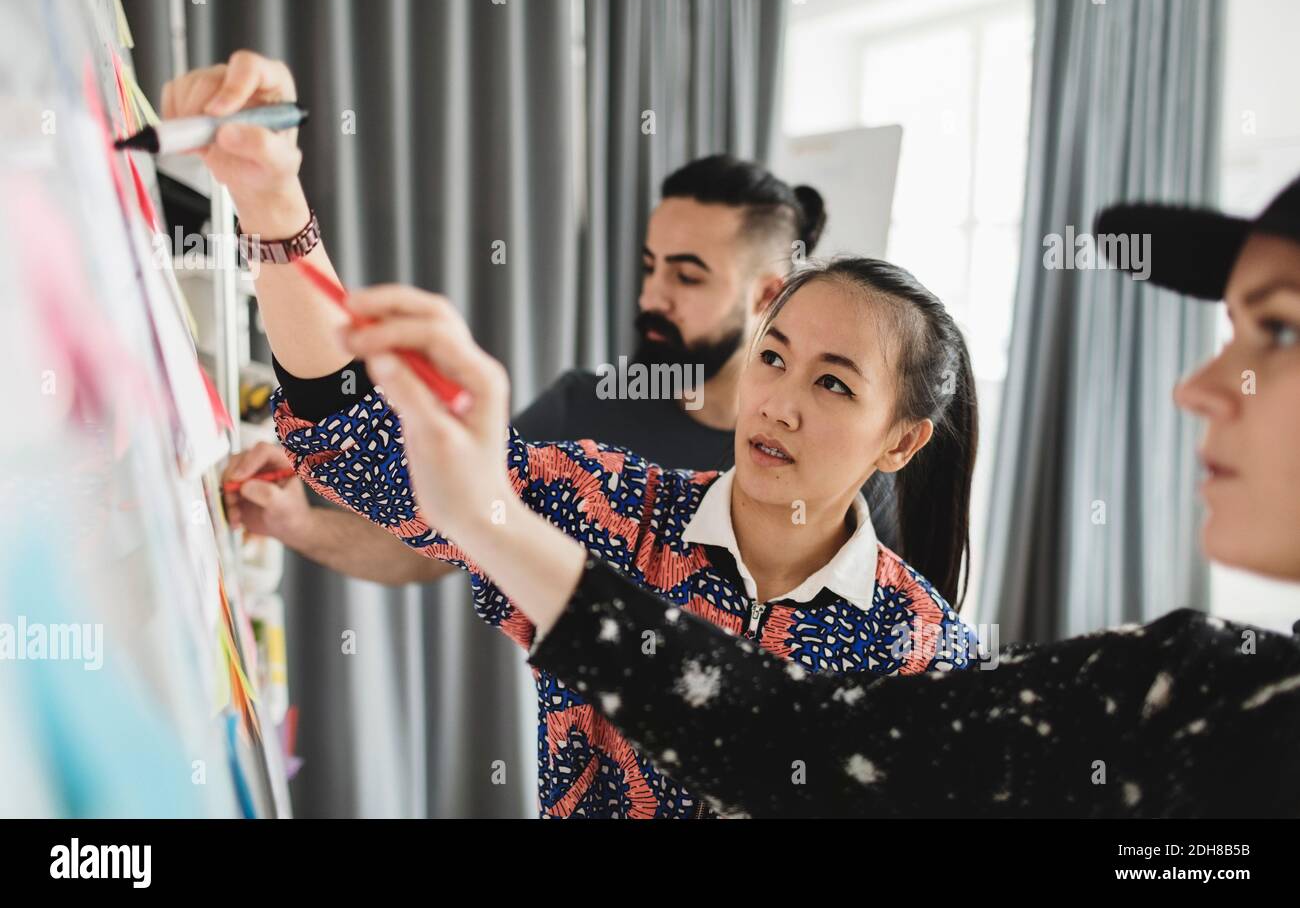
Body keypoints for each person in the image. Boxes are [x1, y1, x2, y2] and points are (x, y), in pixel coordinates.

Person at [350, 176, 1300, 817]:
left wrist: (486, 515)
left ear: (902, 441)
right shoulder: (1195, 689)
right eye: (774, 359)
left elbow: (792, 745)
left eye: (1282, 331)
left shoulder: (929, 645)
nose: (1202, 386)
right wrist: (281, 220)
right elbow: (783, 734)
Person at [198, 53, 899, 577]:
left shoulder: (856, 492)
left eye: (687, 276)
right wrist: (271, 201)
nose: (652, 297)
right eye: (650, 266)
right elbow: (441, 528)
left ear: (766, 294)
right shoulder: (592, 439)